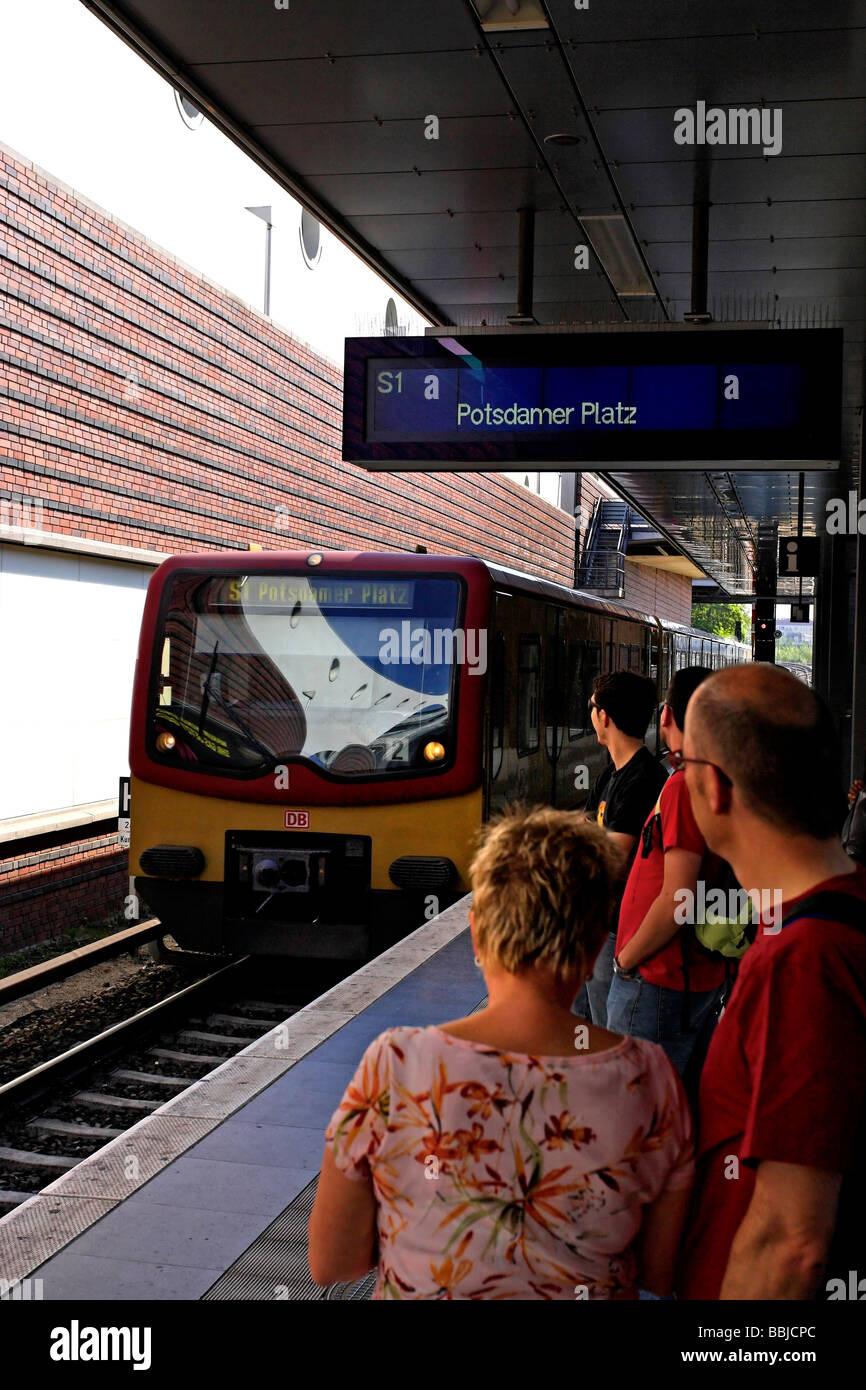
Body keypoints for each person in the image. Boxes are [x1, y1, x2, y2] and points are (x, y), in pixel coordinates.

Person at [308, 808, 694, 1300]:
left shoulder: (395, 1064)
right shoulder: (649, 1078)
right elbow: (659, 1273)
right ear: (597, 945)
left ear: (476, 933)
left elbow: (332, 1263)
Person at [676, 664, 866, 1300]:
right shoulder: (836, 914)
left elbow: (792, 1242)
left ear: (714, 787)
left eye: (683, 763)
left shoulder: (802, 960)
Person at [606, 667, 727, 1079]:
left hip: (658, 978)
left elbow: (678, 897)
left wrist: (625, 960)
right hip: (698, 973)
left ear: (667, 716)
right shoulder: (722, 779)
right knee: (679, 1100)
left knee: (634, 1106)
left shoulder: (683, 784)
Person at [574, 670, 668, 1025]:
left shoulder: (643, 778)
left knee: (604, 1027)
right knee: (585, 1017)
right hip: (598, 920)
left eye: (591, 706)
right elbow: (582, 830)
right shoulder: (610, 775)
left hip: (616, 926)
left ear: (604, 716)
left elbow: (610, 855)